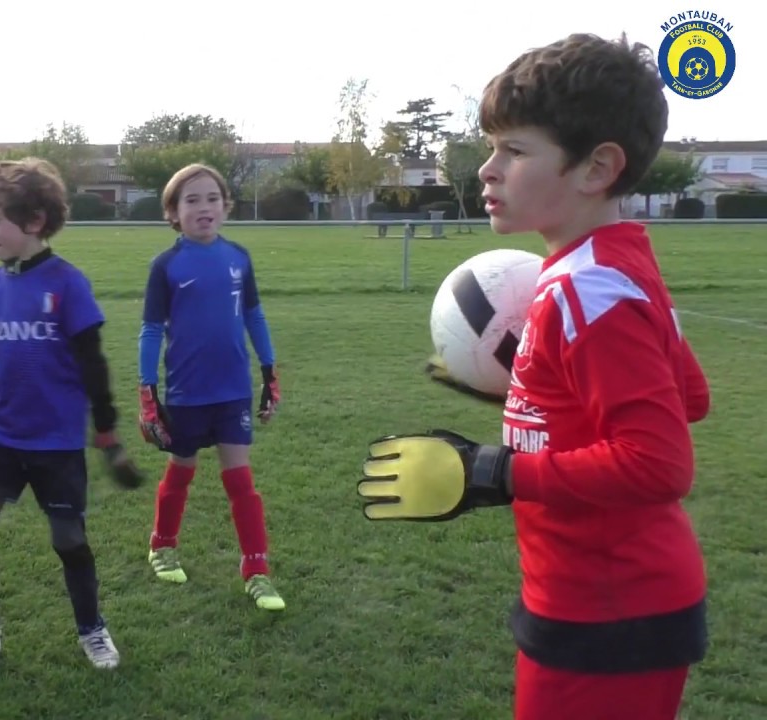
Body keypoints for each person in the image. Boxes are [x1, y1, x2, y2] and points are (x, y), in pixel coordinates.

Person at [356, 33, 711, 720]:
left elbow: (660, 461)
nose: (487, 169)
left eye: (514, 151)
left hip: (610, 609)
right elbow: (688, 396)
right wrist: (527, 388)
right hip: (601, 597)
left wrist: (496, 471)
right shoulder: (611, 264)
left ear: (597, 167)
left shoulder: (589, 288)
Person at [0, 157, 144, 670]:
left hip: (57, 444)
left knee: (69, 539)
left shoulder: (68, 284)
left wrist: (108, 435)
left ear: (35, 221)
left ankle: (92, 630)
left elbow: (93, 363)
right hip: (3, 438)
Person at [138, 163, 285, 611]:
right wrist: (147, 393)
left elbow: (254, 317)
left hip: (232, 391)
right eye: (192, 200)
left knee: (241, 480)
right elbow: (150, 330)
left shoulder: (239, 258)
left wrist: (269, 371)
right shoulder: (165, 266)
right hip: (186, 392)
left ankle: (256, 571)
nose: (204, 208)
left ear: (225, 207)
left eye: (212, 199)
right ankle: (162, 545)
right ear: (173, 212)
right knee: (181, 472)